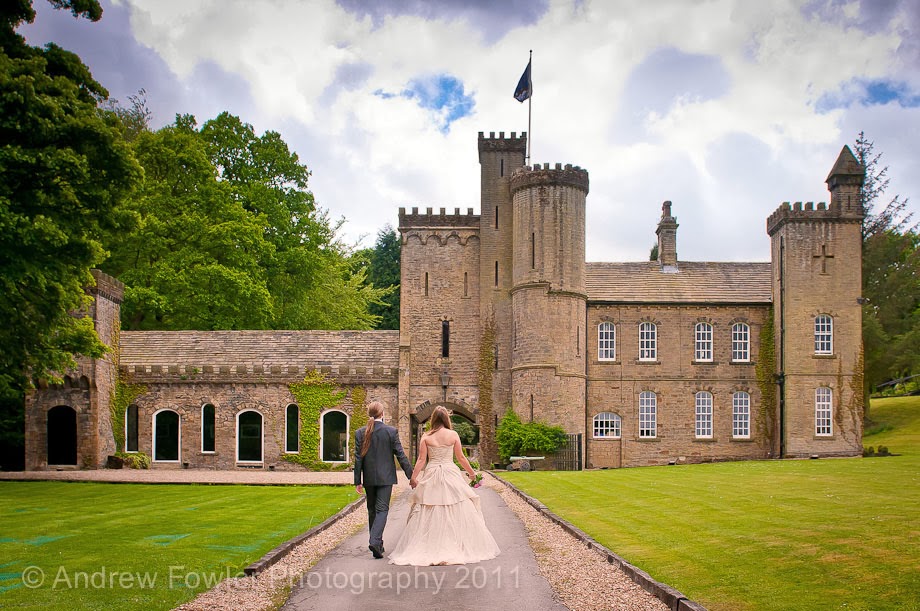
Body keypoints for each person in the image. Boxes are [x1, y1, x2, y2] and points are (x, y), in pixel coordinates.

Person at [388, 405, 500, 566]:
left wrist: (413, 478)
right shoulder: (453, 434)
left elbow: (421, 460)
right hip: (449, 472)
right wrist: (472, 473)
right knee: (456, 505)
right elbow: (461, 457)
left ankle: (429, 544)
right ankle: (455, 542)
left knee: (429, 506)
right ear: (447, 419)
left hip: (432, 472)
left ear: (433, 419)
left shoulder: (426, 436)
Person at [354, 401, 414, 559]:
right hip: (385, 477)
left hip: (368, 478)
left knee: (372, 510)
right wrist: (411, 476)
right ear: (382, 414)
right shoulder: (391, 431)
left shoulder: (360, 432)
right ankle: (375, 541)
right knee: (382, 510)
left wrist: (357, 481)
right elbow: (400, 455)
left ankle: (377, 544)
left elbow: (358, 459)